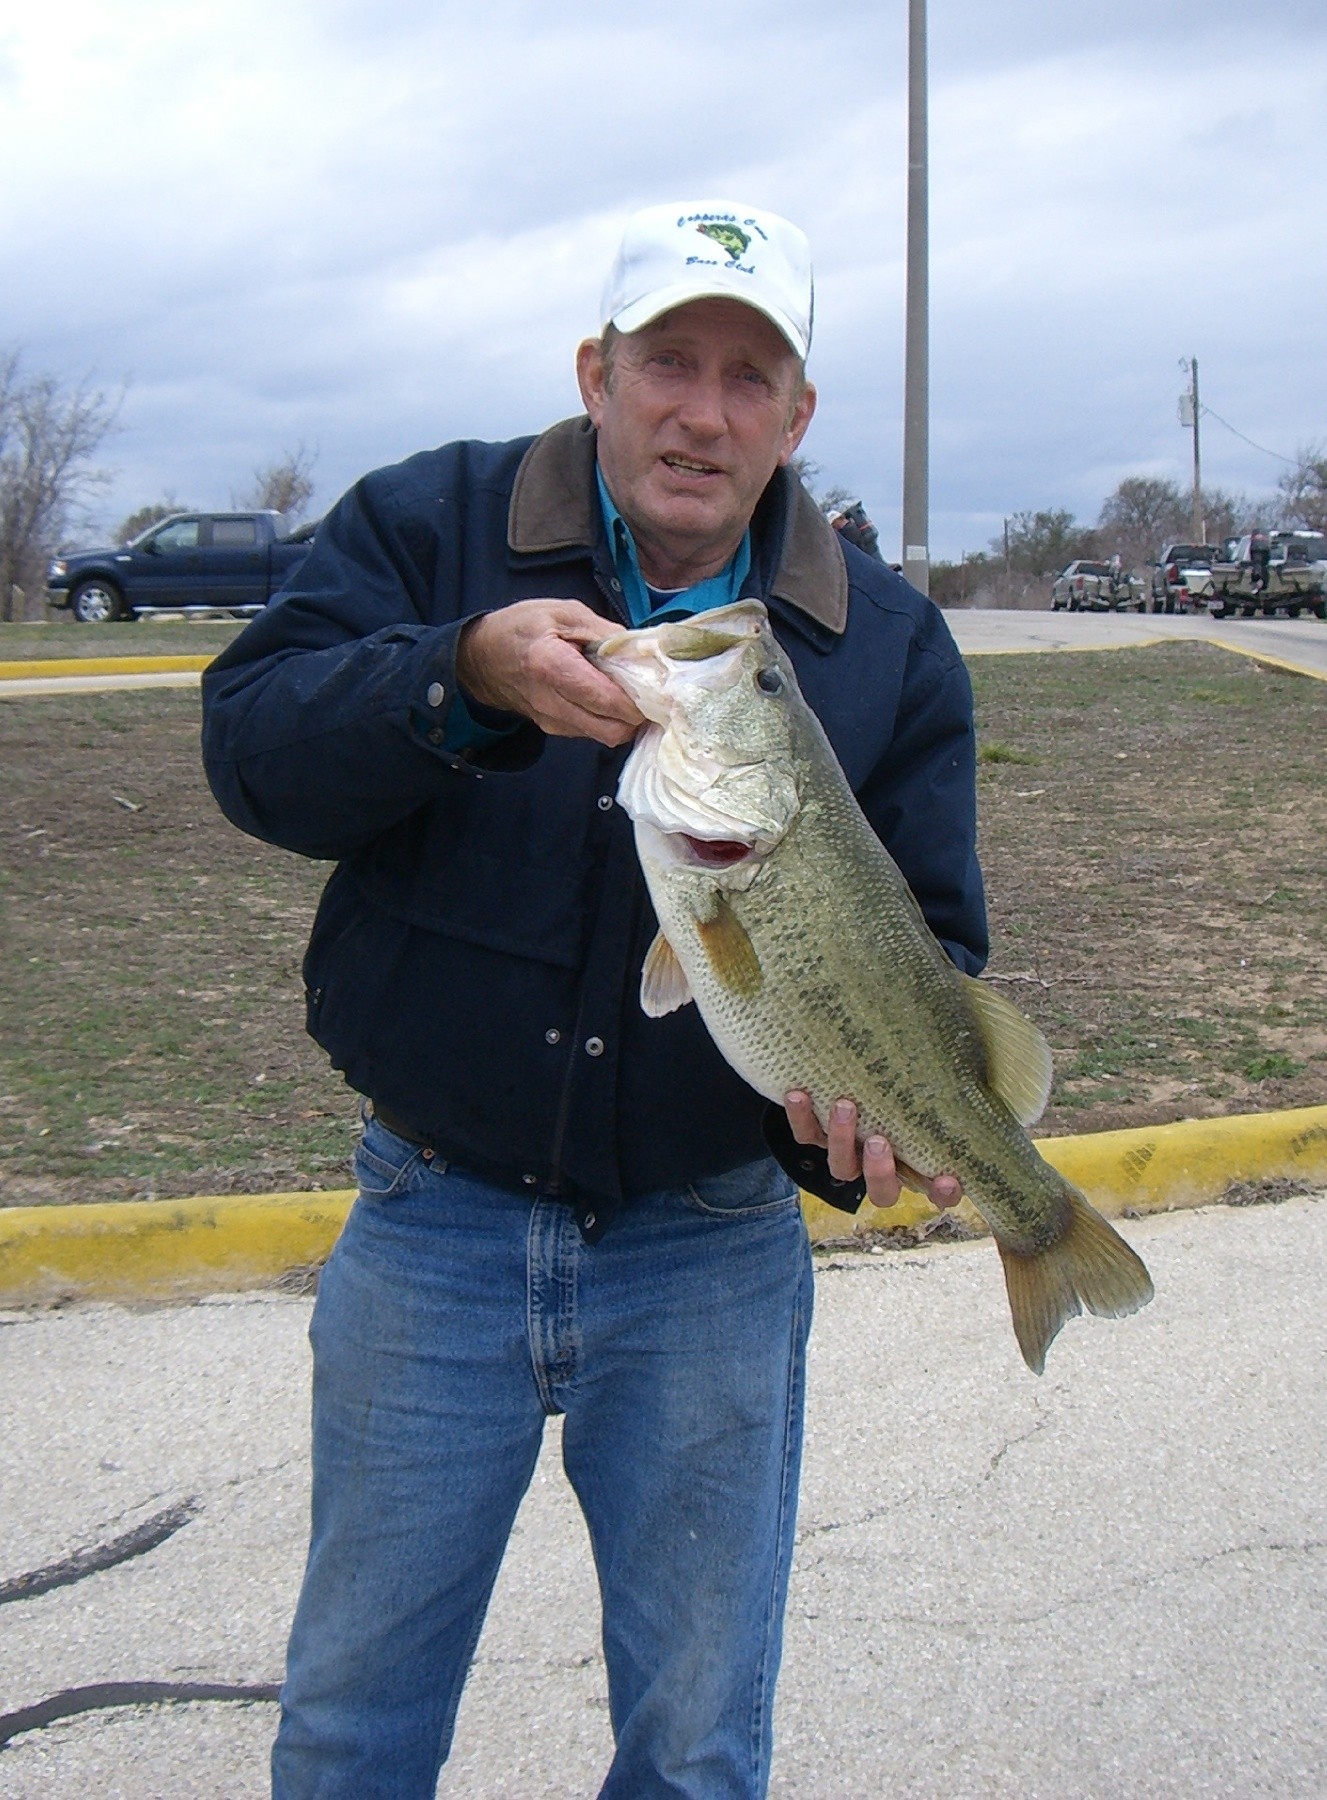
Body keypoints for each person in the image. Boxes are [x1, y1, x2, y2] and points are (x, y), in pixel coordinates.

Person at [201, 197, 988, 1799]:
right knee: (350, 1722)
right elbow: (253, 752)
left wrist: (862, 1136)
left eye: (749, 377)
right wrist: (459, 674)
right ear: (597, 372)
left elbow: (928, 947)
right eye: (668, 362)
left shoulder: (883, 644)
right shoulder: (432, 525)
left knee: (697, 1742)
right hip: (432, 1223)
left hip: (712, 1252)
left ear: (798, 417)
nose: (703, 410)